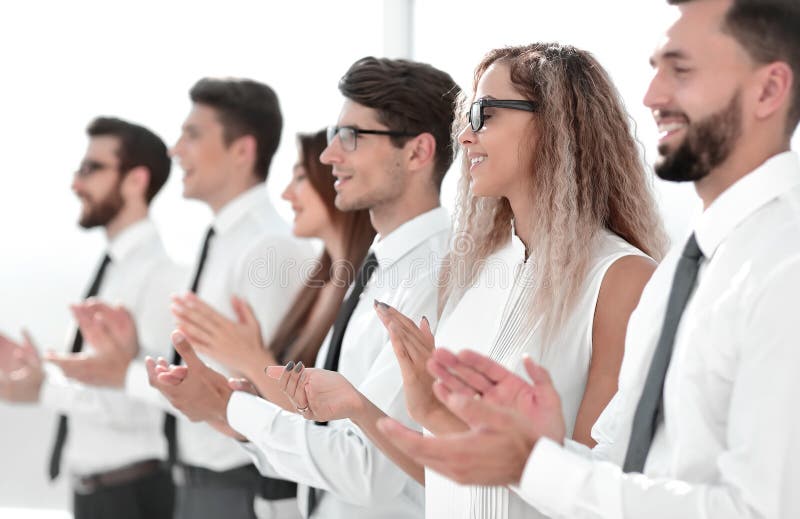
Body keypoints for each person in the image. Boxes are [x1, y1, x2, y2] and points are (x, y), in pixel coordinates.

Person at [378, 1, 800, 518]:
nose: (651, 96)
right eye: (655, 70)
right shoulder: (683, 275)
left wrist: (534, 462)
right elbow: (618, 472)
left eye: (682, 70)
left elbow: (763, 509)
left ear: (769, 90)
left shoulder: (783, 264)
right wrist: (521, 448)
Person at [277, 42, 667, 518]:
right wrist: (411, 410)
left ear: (555, 123)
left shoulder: (622, 279)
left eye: (484, 114)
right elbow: (447, 475)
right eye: (466, 117)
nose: (463, 137)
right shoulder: (467, 273)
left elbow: (598, 490)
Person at [148, 56, 461, 518]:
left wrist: (230, 408)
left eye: (351, 137)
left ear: (417, 153)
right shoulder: (378, 268)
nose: (329, 155)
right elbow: (333, 436)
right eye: (335, 135)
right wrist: (233, 412)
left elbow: (368, 472)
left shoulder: (434, 277)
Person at [55, 79, 317, 519]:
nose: (176, 150)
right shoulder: (222, 241)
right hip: (197, 485)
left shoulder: (269, 249)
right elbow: (206, 381)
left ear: (242, 150)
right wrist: (131, 364)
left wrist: (123, 373)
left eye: (192, 135)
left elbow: (278, 400)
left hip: (239, 488)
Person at [0, 116, 180, 519]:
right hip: (96, 493)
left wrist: (43, 389)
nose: (76, 184)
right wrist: (39, 371)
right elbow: (102, 378)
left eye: (90, 169)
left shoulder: (161, 277)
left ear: (136, 180)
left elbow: (148, 404)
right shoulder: (112, 269)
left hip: (131, 497)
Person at [165, 128, 375, 417]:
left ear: (337, 181)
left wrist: (251, 359)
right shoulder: (318, 287)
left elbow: (315, 423)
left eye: (301, 177)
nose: (286, 194)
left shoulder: (365, 292)